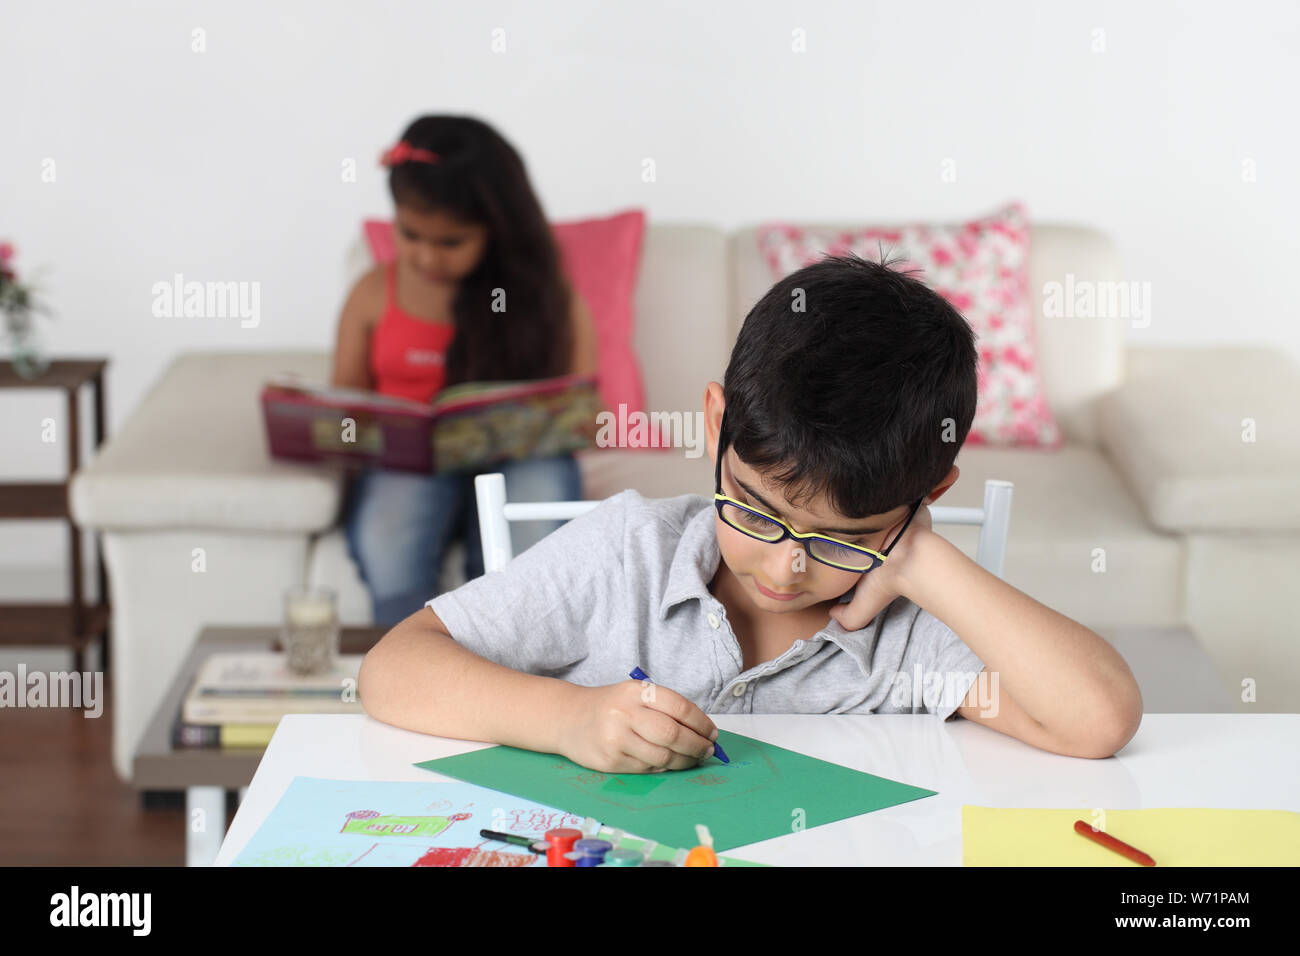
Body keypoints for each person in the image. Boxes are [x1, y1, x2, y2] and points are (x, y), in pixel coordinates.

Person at [357, 253, 1143, 772]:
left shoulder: (907, 632)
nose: (786, 565)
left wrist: (920, 561)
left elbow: (1098, 721)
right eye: (758, 512)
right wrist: (568, 720)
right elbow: (392, 670)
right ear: (714, 426)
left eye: (846, 539)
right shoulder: (628, 553)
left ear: (925, 499)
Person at [332, 115, 599, 626]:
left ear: (495, 232)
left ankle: (513, 647)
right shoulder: (373, 292)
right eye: (410, 235)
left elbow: (585, 406)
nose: (426, 256)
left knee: (538, 504)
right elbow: (347, 406)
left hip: (519, 456)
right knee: (389, 526)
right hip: (409, 462)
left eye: (451, 242)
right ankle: (409, 649)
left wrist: (576, 421)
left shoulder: (548, 299)